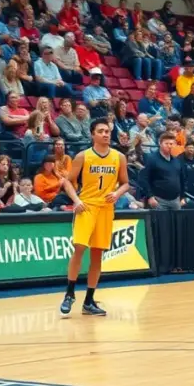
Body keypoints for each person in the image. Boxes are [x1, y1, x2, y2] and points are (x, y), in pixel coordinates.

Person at [58, 119, 130, 316]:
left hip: (106, 209)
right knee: (80, 247)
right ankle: (69, 293)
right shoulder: (83, 156)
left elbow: (125, 183)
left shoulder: (119, 157)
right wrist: (76, 200)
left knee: (98, 255)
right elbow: (68, 182)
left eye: (107, 131)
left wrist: (117, 194)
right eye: (101, 131)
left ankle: (89, 301)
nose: (106, 134)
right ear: (93, 135)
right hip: (86, 207)